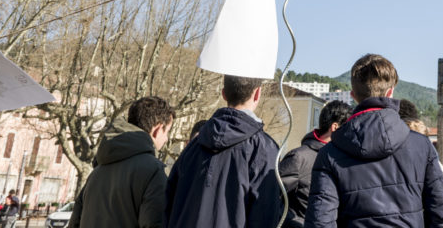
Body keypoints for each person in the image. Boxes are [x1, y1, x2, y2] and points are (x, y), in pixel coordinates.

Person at [303, 53, 443, 228]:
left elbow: (320, 222)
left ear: (353, 95)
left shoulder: (329, 153)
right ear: (390, 92)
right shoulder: (421, 146)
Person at [166, 75, 283, 228]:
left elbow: (169, 204)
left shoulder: (193, 145)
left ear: (223, 94)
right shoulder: (264, 149)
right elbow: (265, 215)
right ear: (257, 94)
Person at [69, 95, 175, 228]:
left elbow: (74, 222)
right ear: (157, 130)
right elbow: (155, 223)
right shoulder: (154, 171)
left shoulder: (96, 172)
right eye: (167, 132)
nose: (166, 139)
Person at [280, 100, 353, 228]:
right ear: (335, 127)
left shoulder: (346, 160)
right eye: (348, 128)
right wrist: (296, 223)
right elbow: (270, 198)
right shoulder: (299, 158)